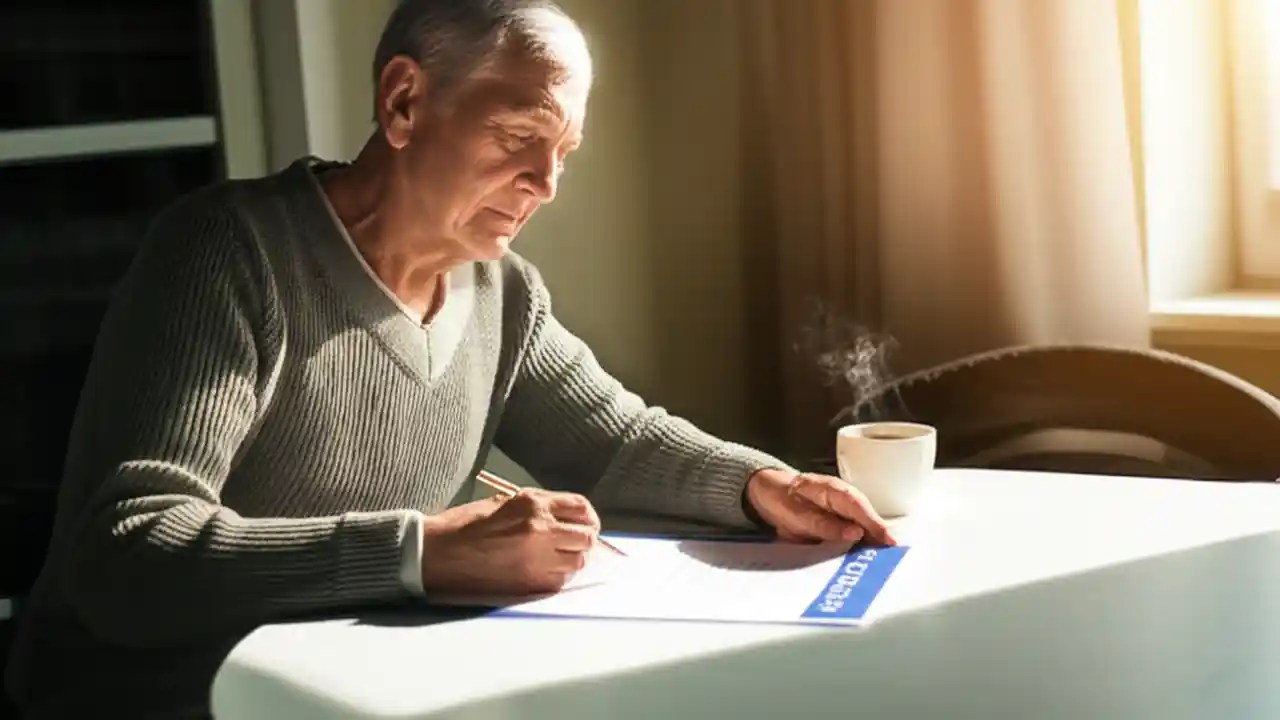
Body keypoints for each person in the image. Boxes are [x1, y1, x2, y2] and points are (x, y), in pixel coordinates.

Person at [4, 1, 894, 716]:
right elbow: (128, 557)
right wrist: (422, 552)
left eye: (564, 154)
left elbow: (614, 443)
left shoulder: (499, 290)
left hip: (350, 695)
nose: (546, 184)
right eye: (518, 139)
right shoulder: (226, 256)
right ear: (403, 103)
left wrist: (758, 485)